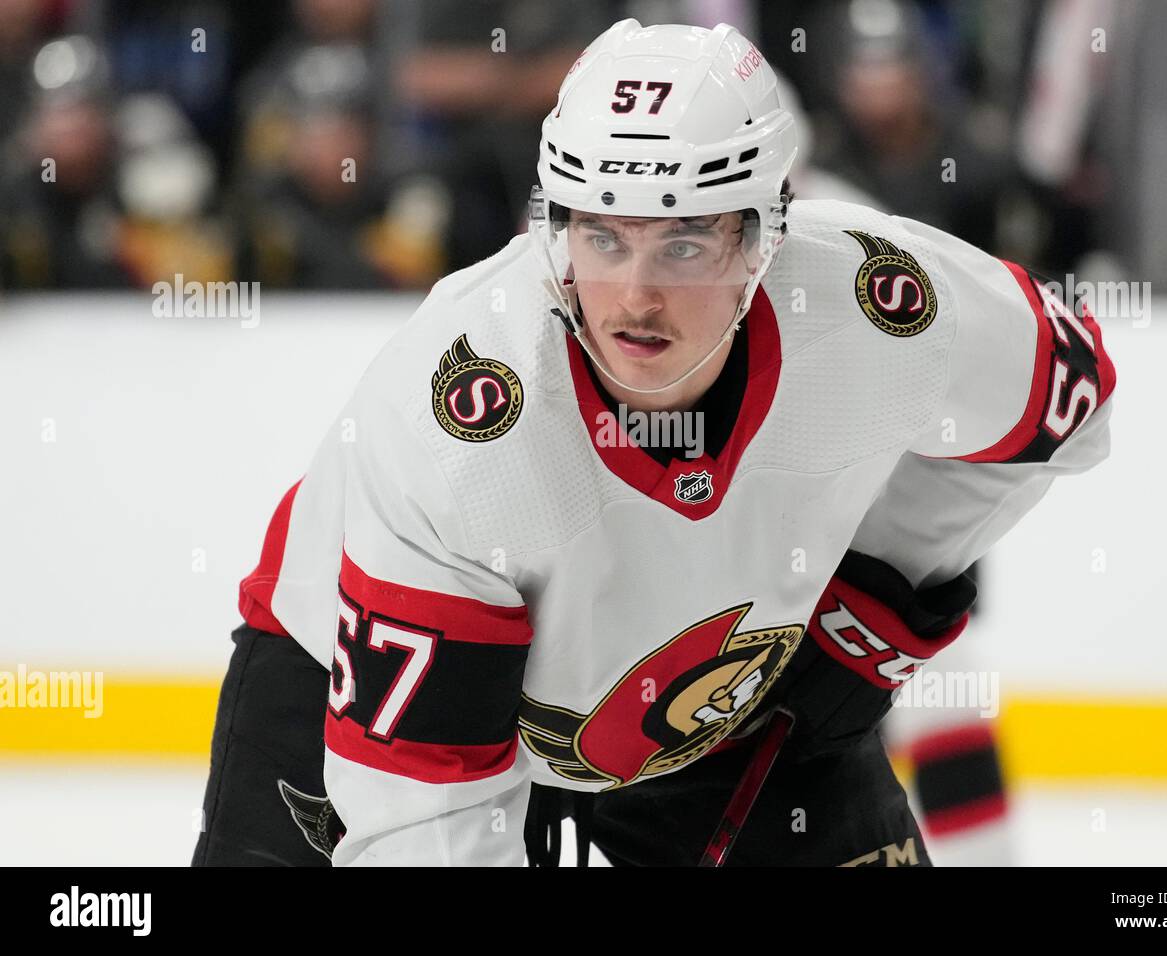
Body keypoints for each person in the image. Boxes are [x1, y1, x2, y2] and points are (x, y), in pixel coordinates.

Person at [192, 18, 1116, 867]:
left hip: (712, 710)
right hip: (341, 682)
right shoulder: (461, 421)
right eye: (601, 235)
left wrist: (872, 590)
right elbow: (424, 825)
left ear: (766, 237)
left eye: (684, 244)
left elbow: (1068, 403)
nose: (633, 297)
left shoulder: (880, 307)